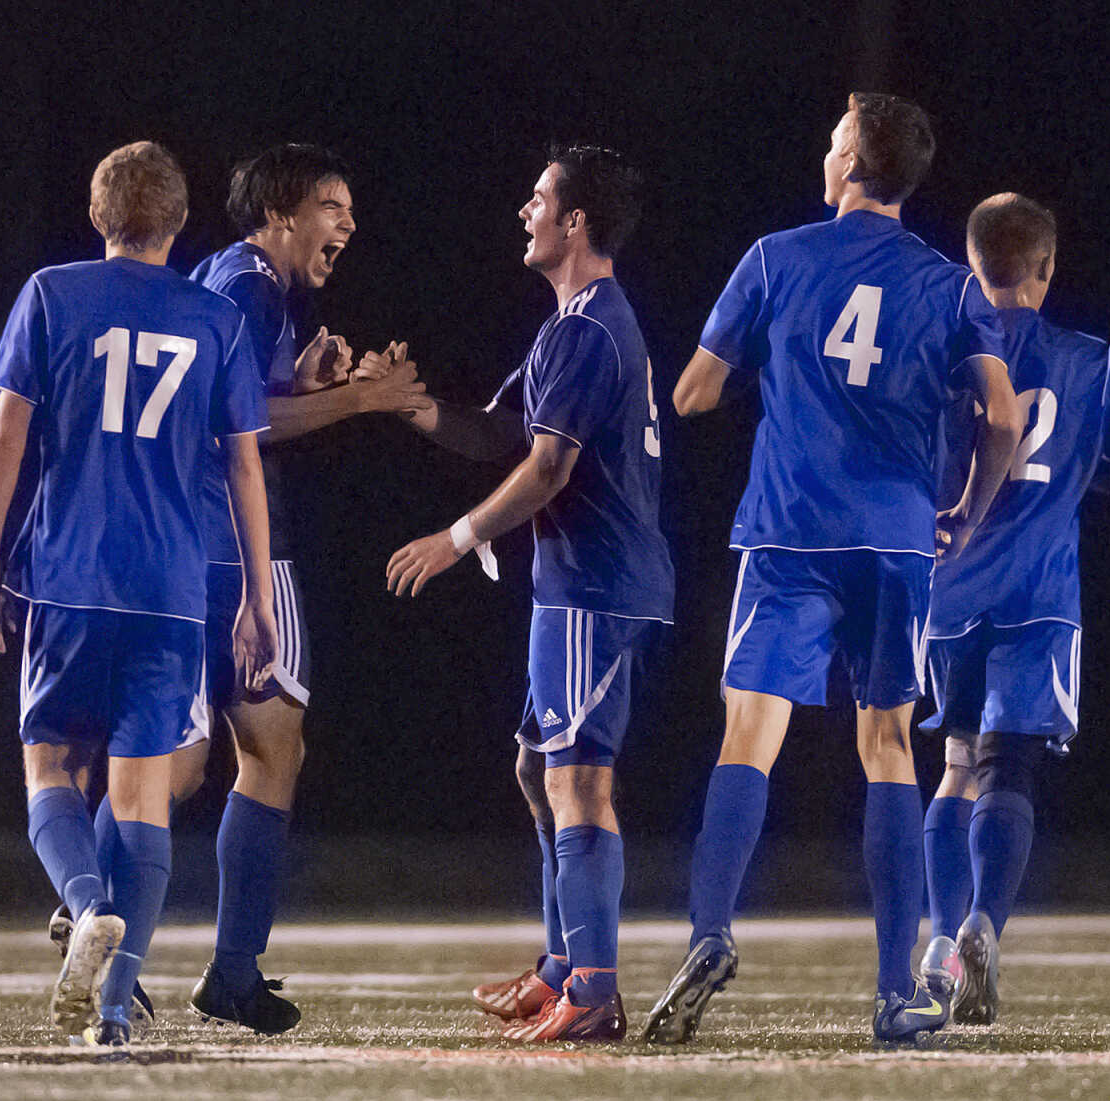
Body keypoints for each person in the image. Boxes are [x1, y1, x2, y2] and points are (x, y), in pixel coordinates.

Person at [641, 94, 1022, 1047]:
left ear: (851, 158)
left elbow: (691, 396)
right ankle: (897, 991)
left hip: (788, 533)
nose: (824, 148)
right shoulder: (948, 285)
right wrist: (966, 515)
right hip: (897, 542)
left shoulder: (777, 257)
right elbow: (1004, 418)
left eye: (832, 137)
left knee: (747, 737)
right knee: (889, 749)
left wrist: (778, 365)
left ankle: (710, 932)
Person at [0, 141, 277, 1047]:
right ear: (180, 224)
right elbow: (245, 466)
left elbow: (5, 437)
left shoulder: (52, 293)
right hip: (174, 590)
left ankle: (86, 902)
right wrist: (257, 594)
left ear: (99, 214)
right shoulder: (216, 318)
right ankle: (111, 1016)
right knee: (143, 800)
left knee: (49, 773)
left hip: (68, 578)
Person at [386, 144, 673, 1044]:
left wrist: (456, 537)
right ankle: (563, 966)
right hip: (580, 585)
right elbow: (503, 433)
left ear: (576, 221)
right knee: (535, 766)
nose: (526, 209)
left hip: (596, 585)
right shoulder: (569, 324)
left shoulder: (589, 328)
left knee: (577, 779)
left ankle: (592, 987)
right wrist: (403, 404)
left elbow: (549, 467)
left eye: (541, 197)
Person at [167, 143, 432, 1033]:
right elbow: (229, 423)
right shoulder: (245, 285)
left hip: (190, 540)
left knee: (196, 760)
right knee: (261, 754)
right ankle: (219, 962)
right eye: (331, 205)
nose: (348, 224)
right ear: (280, 211)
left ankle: (111, 906)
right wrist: (358, 401)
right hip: (237, 547)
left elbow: (248, 402)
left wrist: (307, 381)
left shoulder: (251, 288)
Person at [916, 193, 1110, 1026]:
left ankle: (945, 940)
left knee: (953, 765)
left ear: (973, 263)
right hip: (1043, 596)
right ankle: (984, 925)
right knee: (1008, 767)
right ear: (1048, 268)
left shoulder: (948, 348)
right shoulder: (1094, 361)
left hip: (948, 589)